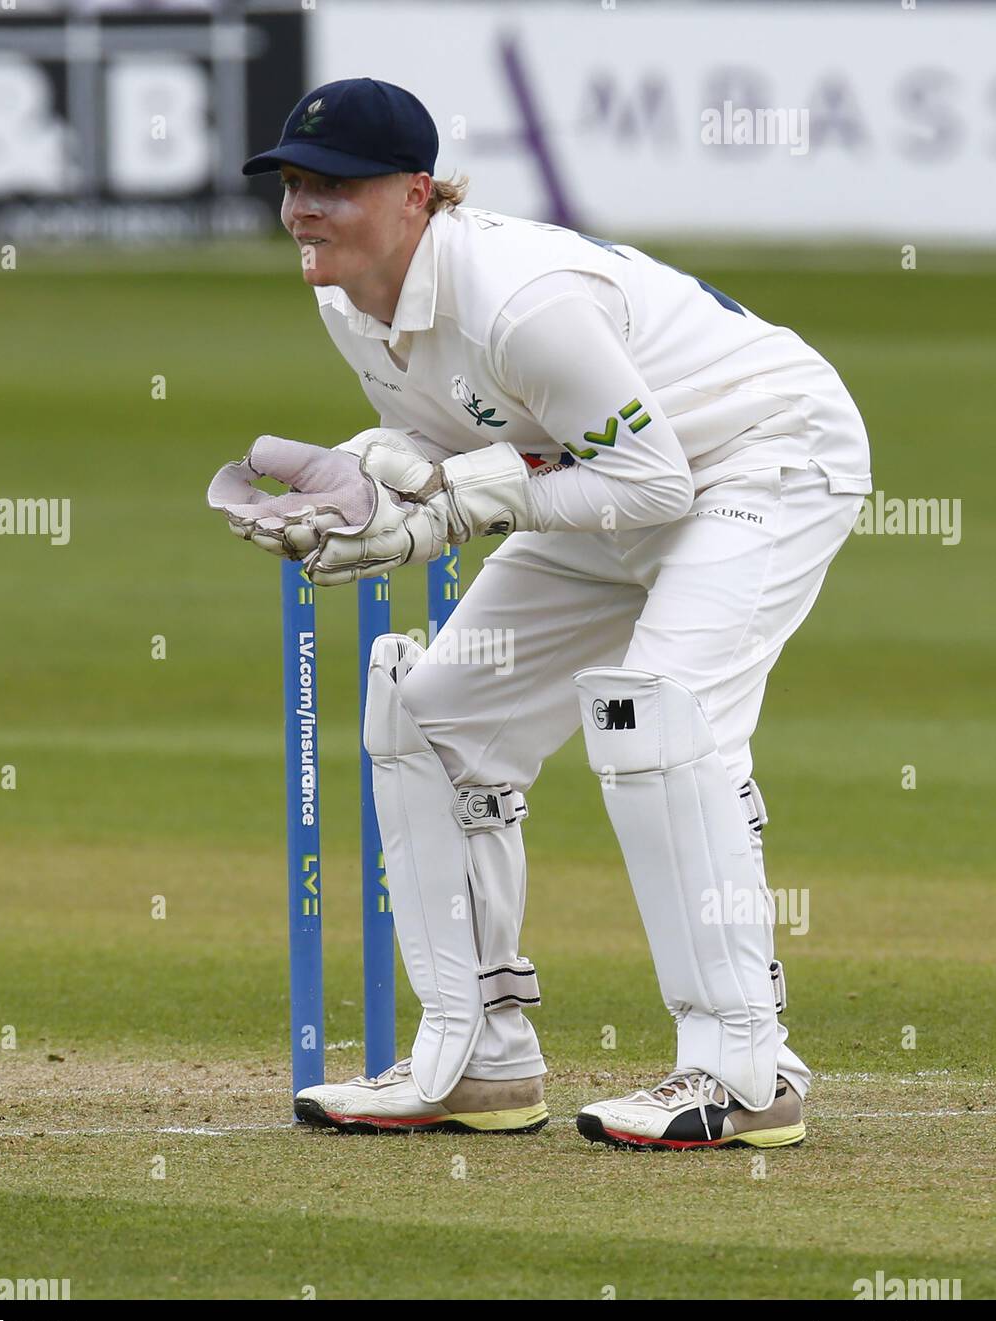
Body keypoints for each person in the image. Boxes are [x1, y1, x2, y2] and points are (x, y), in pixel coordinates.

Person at [210, 77, 871, 1150]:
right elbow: (472, 447)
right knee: (433, 716)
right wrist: (371, 493)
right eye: (292, 185)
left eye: (333, 186)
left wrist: (448, 515)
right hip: (611, 481)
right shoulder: (346, 297)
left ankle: (744, 1071)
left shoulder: (520, 300)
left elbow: (647, 483)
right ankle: (478, 1054)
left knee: (660, 715)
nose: (304, 211)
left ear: (417, 194)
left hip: (764, 454)